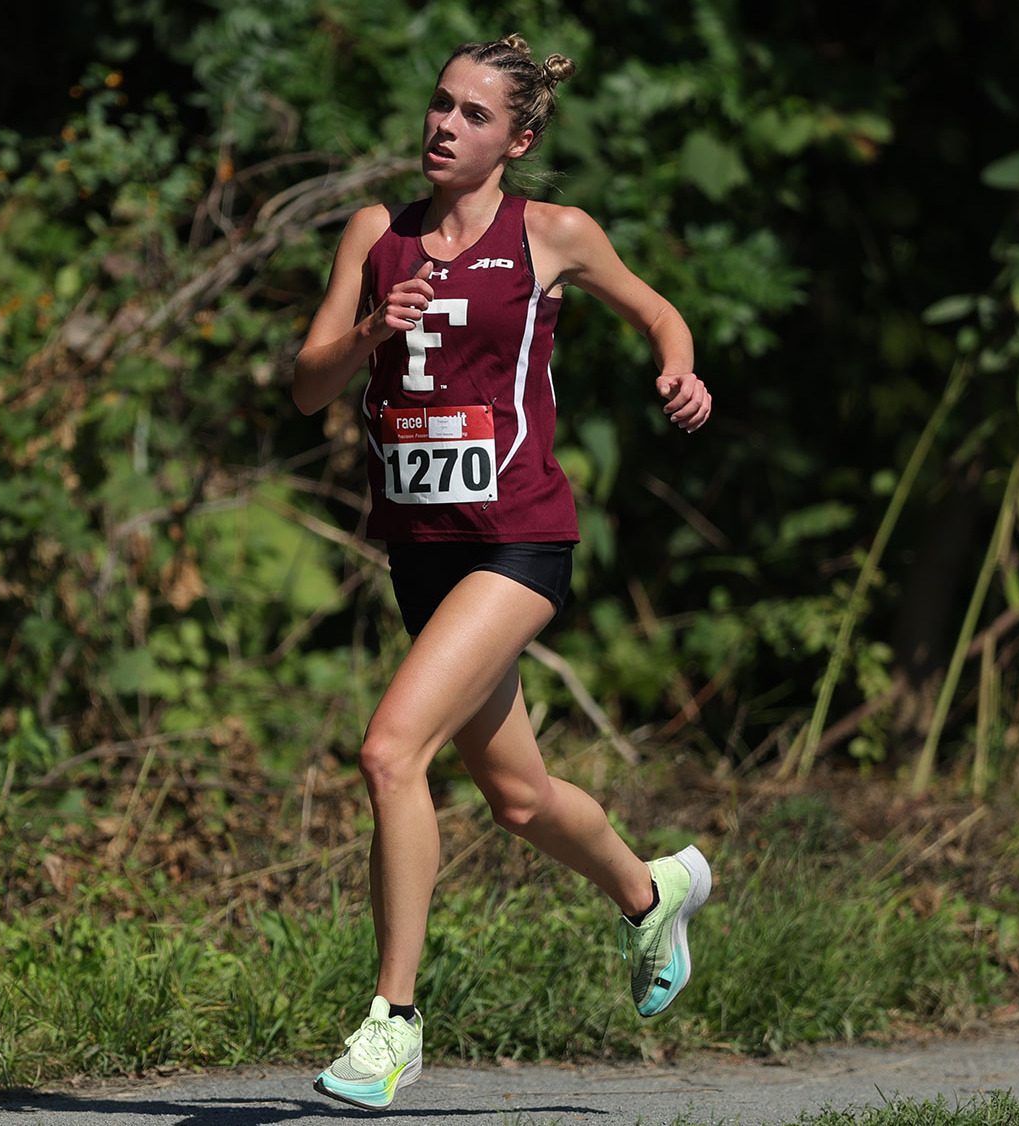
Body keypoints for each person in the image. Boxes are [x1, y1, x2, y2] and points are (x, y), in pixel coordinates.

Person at [290, 33, 714, 1112]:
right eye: (440, 104)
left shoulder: (552, 234)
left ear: (517, 141)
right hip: (420, 550)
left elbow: (656, 309)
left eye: (474, 115)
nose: (444, 125)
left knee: (390, 752)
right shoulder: (374, 234)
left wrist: (676, 366)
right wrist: (365, 333)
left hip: (518, 538)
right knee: (518, 798)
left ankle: (391, 1022)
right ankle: (648, 888)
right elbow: (304, 385)